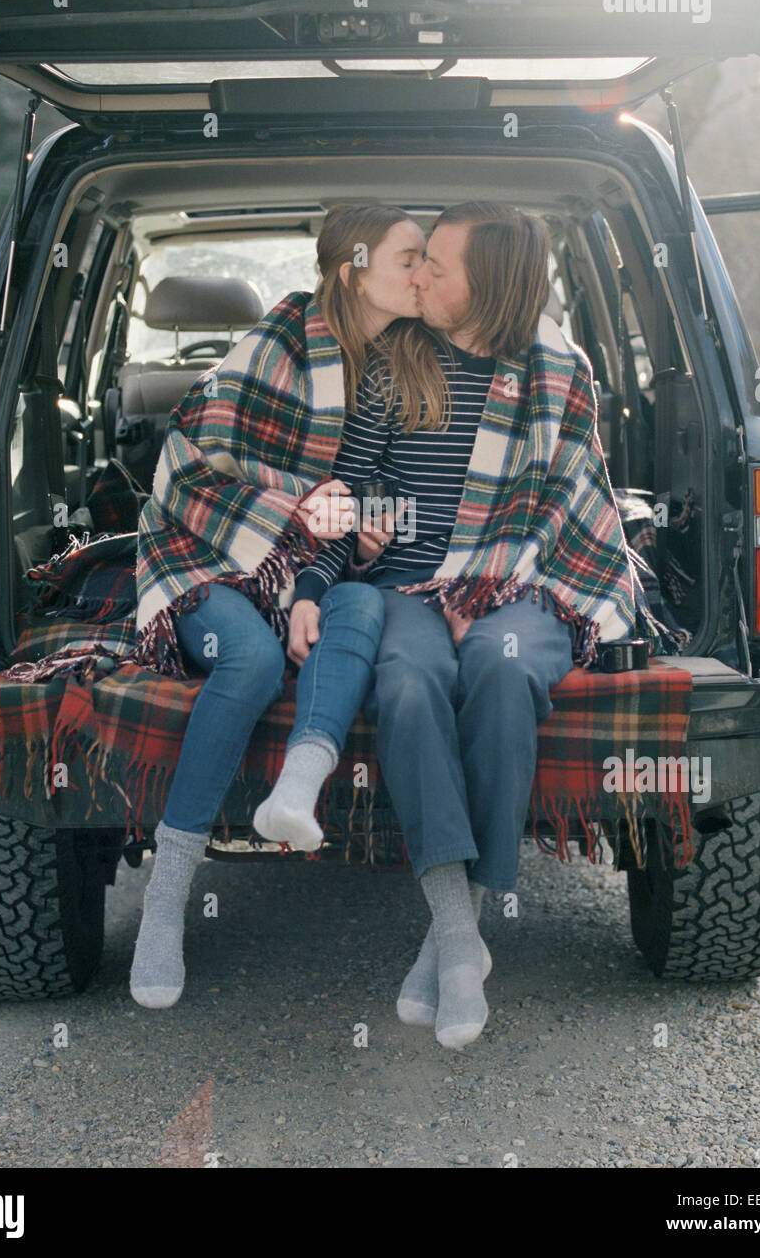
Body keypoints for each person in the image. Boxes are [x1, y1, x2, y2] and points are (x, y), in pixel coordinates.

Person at [291, 201, 638, 1048]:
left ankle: (457, 927)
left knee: (503, 665)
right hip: (409, 589)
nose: (421, 278)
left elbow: (569, 510)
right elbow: (349, 485)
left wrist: (486, 592)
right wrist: (310, 581)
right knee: (406, 684)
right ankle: (457, 935)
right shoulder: (396, 363)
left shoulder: (560, 372)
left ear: (490, 285)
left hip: (530, 585)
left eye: (438, 268)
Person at [129, 204, 427, 1008]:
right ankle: (167, 899)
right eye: (408, 257)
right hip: (204, 549)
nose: (421, 271)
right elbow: (186, 470)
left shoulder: (397, 361)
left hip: (303, 566)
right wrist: (306, 506)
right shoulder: (272, 347)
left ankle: (294, 792)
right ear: (350, 270)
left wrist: (356, 539)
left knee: (362, 601)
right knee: (254, 662)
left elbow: (374, 495)